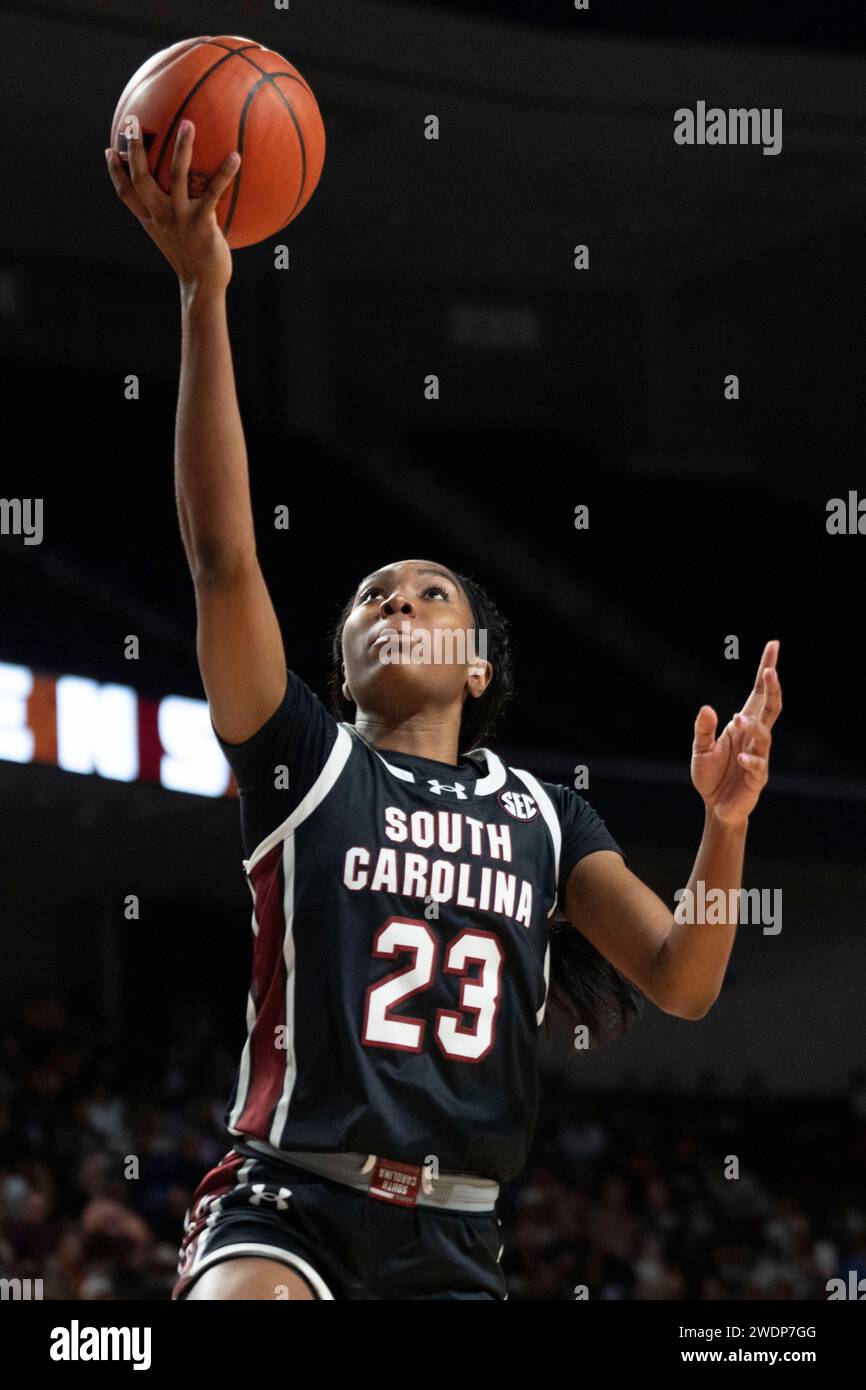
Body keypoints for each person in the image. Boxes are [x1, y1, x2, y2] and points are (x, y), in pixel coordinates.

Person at [105, 120, 782, 1301]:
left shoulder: (543, 813)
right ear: (341, 666)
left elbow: (682, 977)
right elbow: (222, 556)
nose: (396, 601)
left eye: (430, 593)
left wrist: (724, 824)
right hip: (289, 1200)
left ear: (477, 666)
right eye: (373, 596)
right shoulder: (304, 766)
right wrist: (205, 296)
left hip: (459, 1238)